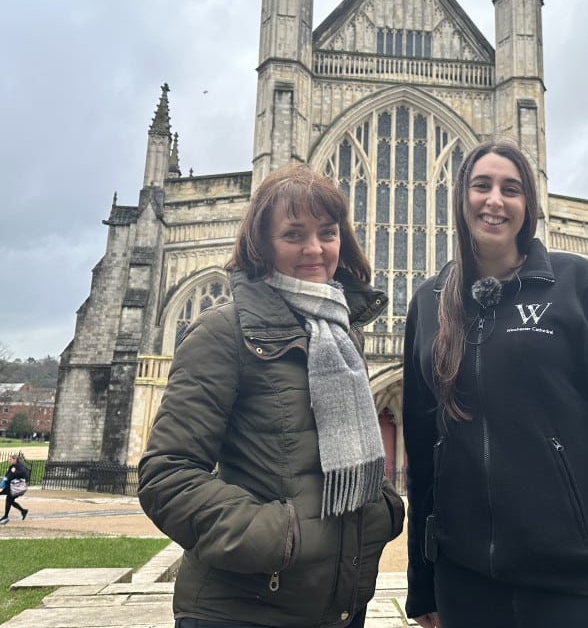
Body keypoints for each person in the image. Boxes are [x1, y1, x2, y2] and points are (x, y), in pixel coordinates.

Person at [403, 139, 588, 628]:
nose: (494, 200)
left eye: (511, 189)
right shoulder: (429, 302)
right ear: (461, 197)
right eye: (481, 185)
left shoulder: (578, 286)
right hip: (465, 586)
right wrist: (423, 583)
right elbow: (424, 456)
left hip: (575, 586)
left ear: (529, 204)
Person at [138, 163, 404, 628]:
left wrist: (382, 509)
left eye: (327, 232)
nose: (314, 249)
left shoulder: (342, 335)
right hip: (242, 610)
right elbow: (166, 475)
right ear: (262, 244)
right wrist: (280, 537)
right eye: (294, 234)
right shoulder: (222, 331)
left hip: (339, 609)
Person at [0, 451, 29, 524]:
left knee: (8, 500)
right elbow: (9, 474)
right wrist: (6, 478)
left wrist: (14, 472)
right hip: (12, 487)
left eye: (11, 459)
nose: (9, 461)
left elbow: (23, 474)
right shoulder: (13, 466)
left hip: (16, 487)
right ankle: (23, 511)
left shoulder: (19, 466)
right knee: (10, 501)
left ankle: (6, 516)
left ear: (15, 459)